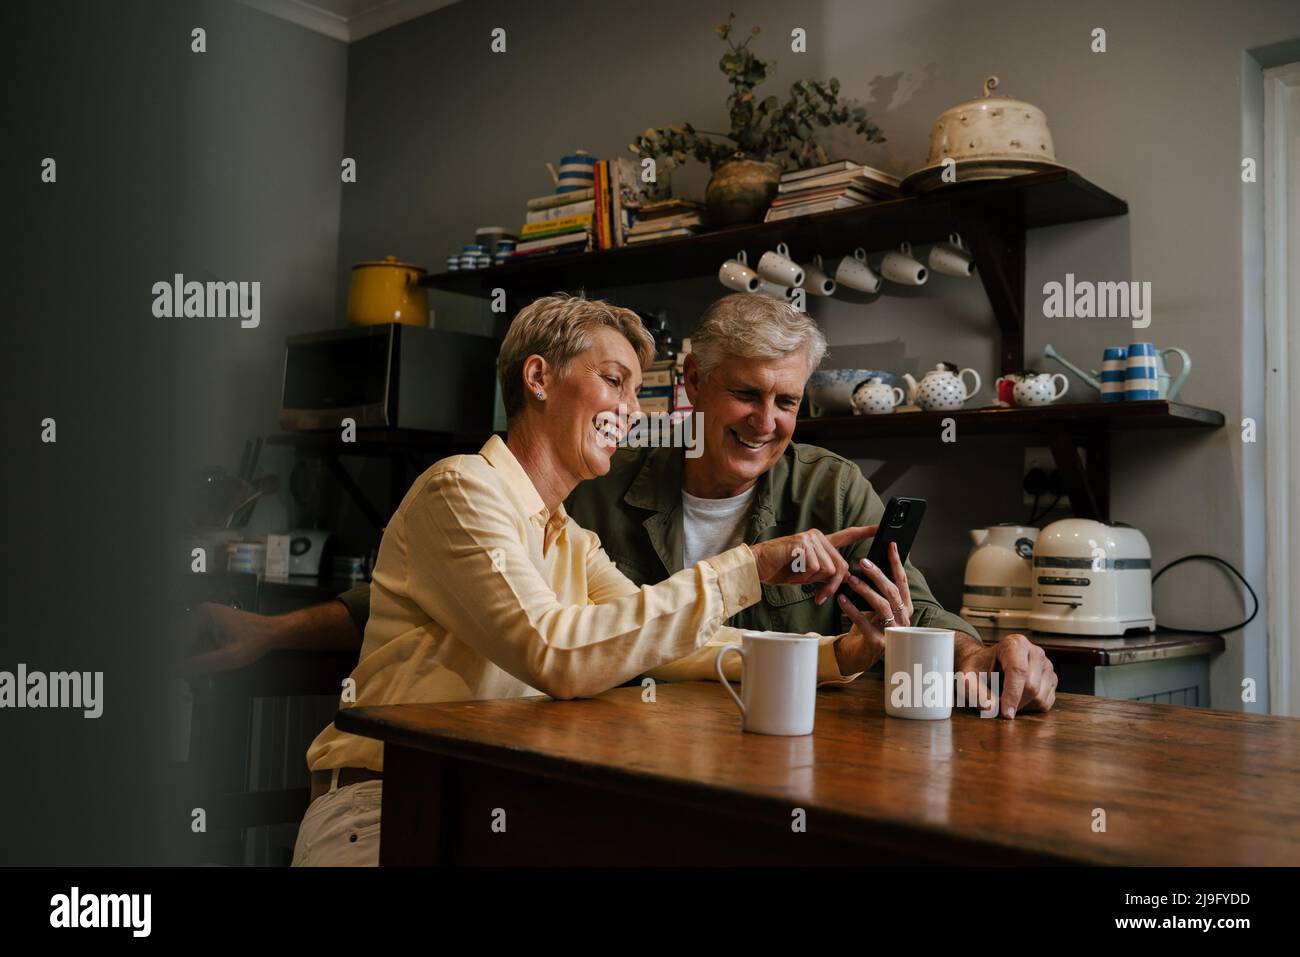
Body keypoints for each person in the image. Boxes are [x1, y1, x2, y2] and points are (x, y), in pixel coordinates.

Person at [189, 294, 1057, 716]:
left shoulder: (821, 488)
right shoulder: (551, 485)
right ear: (692, 390)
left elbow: (685, 639)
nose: (766, 422)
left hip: (663, 772)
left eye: (787, 403)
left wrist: (963, 654)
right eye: (745, 396)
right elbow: (457, 615)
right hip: (466, 777)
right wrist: (272, 631)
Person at [287, 293, 890, 866]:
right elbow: (556, 653)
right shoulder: (462, 488)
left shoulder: (571, 538)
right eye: (613, 380)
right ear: (539, 378)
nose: (630, 409)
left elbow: (680, 644)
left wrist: (834, 655)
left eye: (634, 390)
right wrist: (749, 567)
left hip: (494, 803)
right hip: (387, 804)